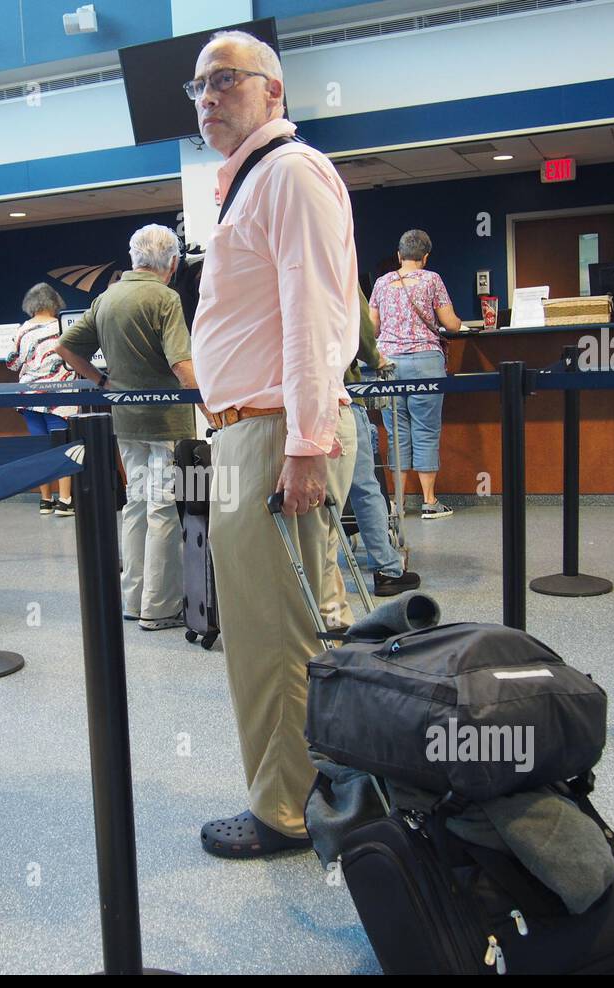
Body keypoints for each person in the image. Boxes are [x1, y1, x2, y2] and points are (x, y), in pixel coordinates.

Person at [187, 30, 359, 857]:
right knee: (266, 628)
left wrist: (305, 444)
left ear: (274, 91)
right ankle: (300, 785)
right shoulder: (250, 182)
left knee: (279, 634)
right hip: (244, 435)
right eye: (199, 86)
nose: (208, 97)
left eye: (226, 81)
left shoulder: (287, 173)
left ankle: (285, 811)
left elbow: (317, 316)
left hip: (271, 436)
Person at [57, 223, 197, 630]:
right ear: (172, 262)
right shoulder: (165, 298)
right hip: (169, 421)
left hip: (126, 421)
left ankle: (134, 599)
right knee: (165, 509)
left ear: (135, 257)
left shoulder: (107, 297)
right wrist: (209, 400)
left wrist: (102, 382)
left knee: (136, 505)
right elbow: (180, 364)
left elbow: (66, 347)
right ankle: (159, 607)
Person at [369, 229, 462, 520]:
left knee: (396, 433)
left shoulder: (382, 283)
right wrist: (457, 321)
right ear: (425, 257)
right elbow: (451, 324)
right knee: (426, 429)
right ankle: (429, 501)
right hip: (425, 362)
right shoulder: (432, 279)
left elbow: (371, 329)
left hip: (389, 365)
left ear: (399, 255)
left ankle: (396, 504)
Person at [345, 288, 416, 597]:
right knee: (364, 486)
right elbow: (362, 330)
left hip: (276, 398)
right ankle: (387, 569)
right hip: (340, 391)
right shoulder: (337, 262)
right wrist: (374, 357)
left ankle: (310, 573)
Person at [6, 283, 76, 515]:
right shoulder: (63, 328)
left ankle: (46, 500)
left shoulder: (22, 330)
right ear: (55, 303)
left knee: (40, 449)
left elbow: (12, 363)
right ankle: (65, 500)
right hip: (59, 397)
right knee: (64, 446)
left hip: (29, 396)